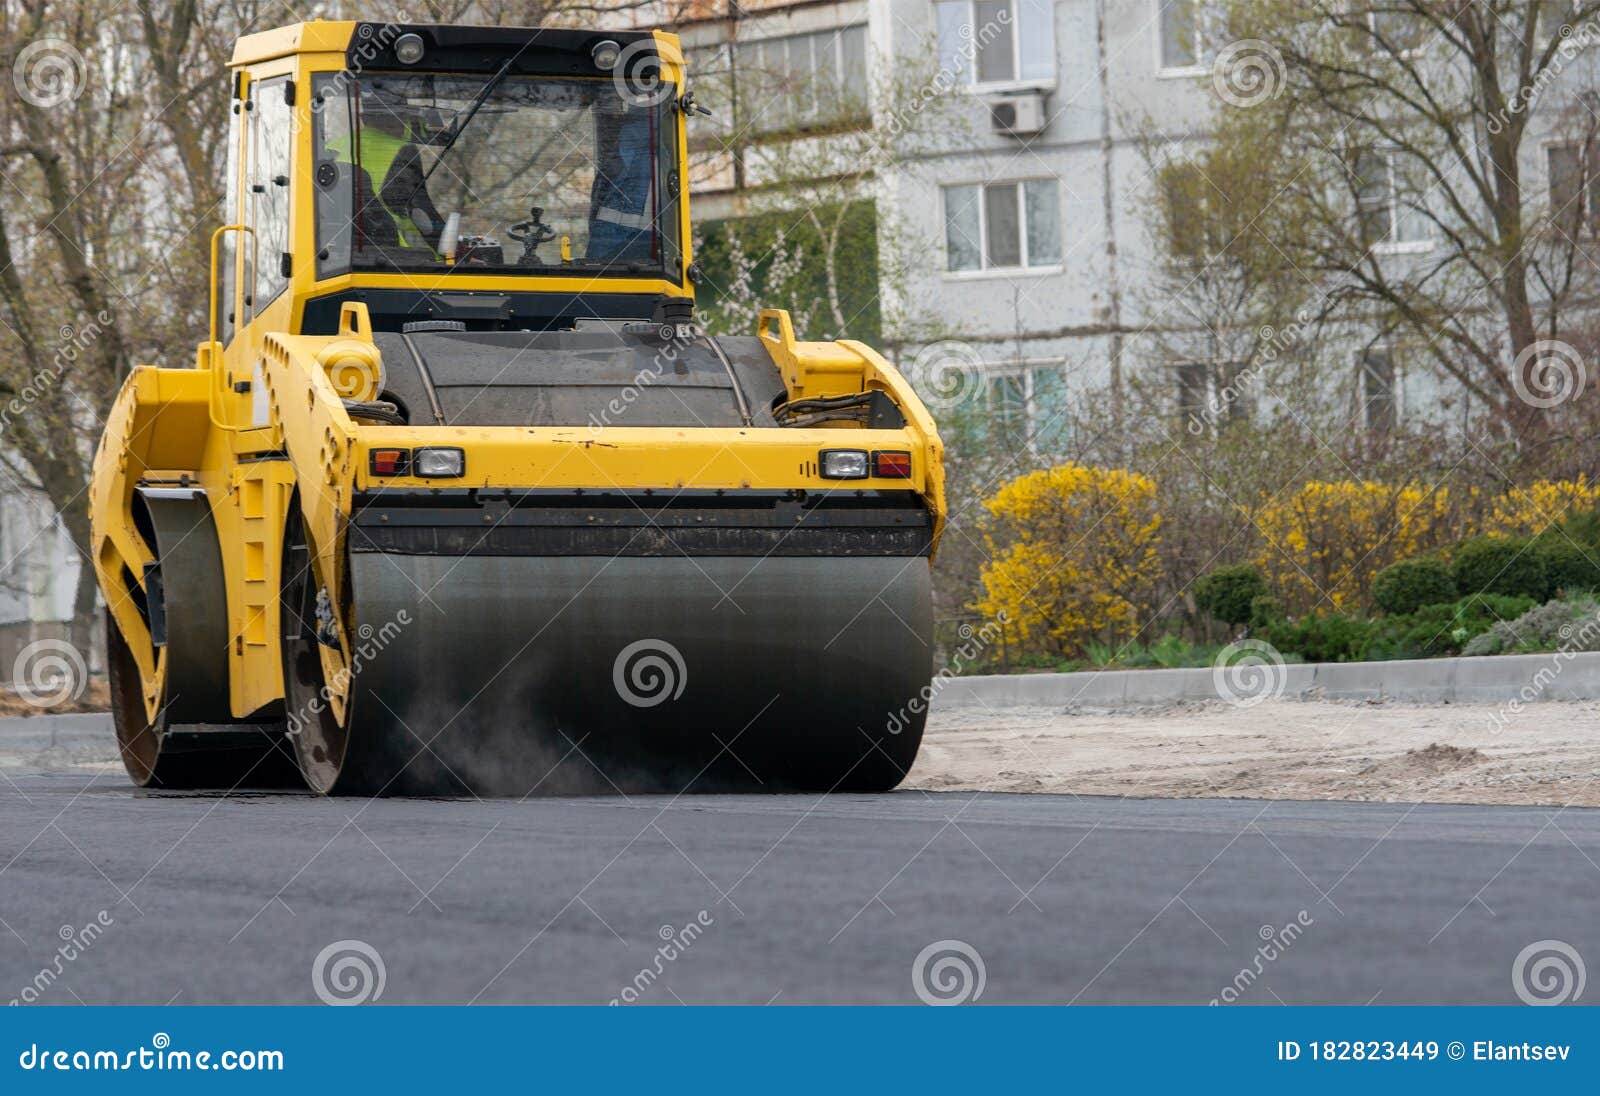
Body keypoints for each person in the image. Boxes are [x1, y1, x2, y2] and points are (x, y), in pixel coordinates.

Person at [586, 102, 656, 264]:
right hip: (644, 249)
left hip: (613, 244)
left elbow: (599, 196)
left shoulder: (623, 147)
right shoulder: (666, 150)